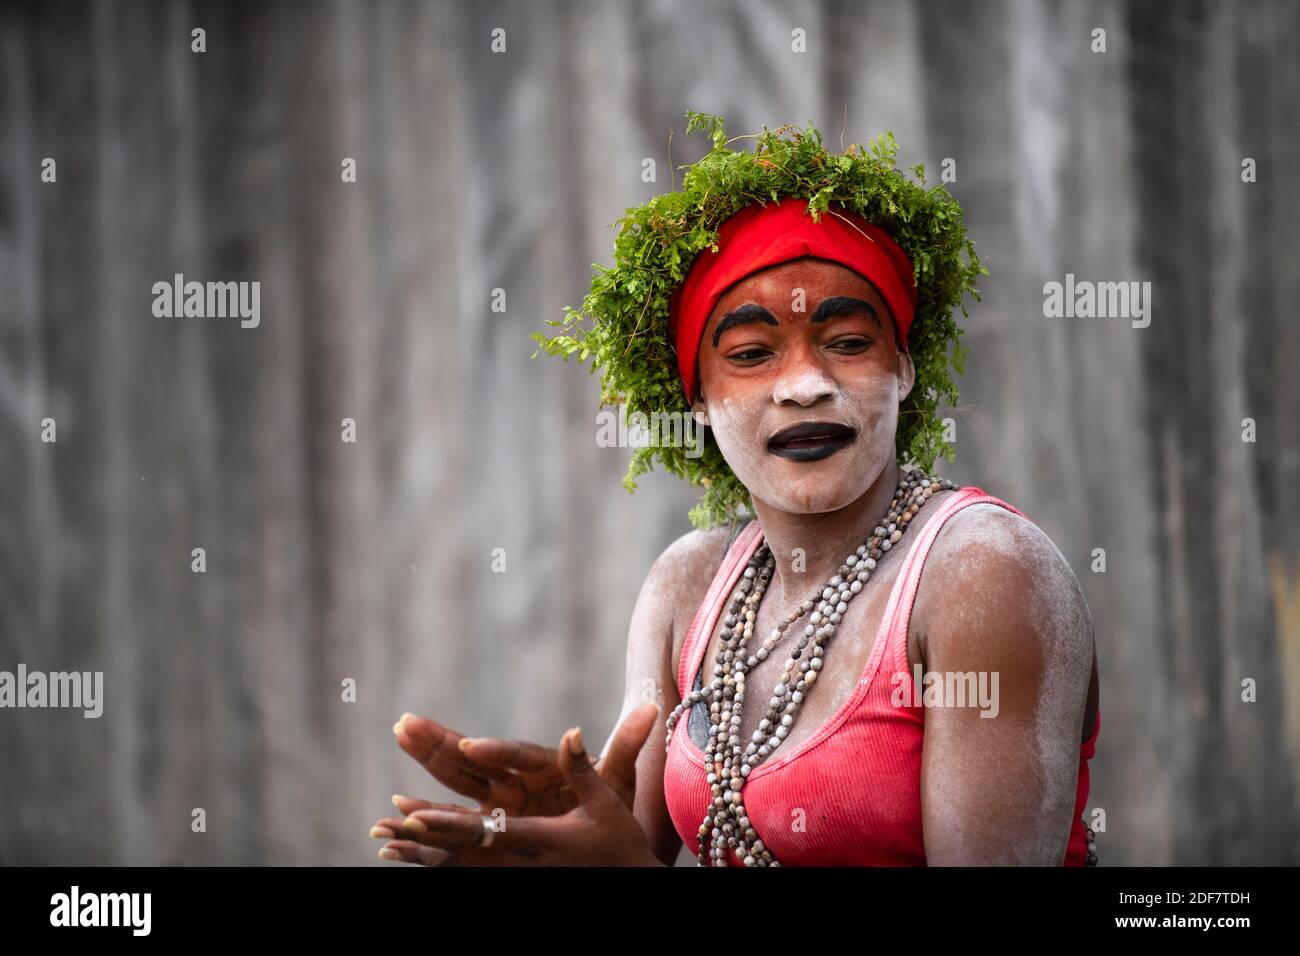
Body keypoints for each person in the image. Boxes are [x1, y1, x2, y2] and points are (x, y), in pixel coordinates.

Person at [368, 116, 1099, 866]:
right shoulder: (689, 587)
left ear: (904, 369)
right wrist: (563, 848)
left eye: (848, 342)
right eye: (752, 355)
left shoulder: (983, 575)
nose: (807, 385)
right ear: (696, 399)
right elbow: (629, 850)